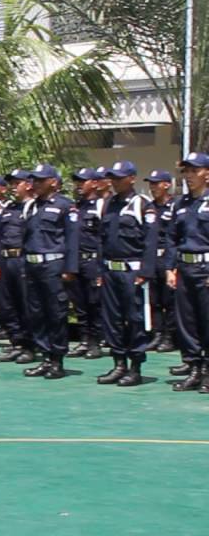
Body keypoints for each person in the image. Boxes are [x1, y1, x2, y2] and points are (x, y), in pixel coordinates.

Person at [95, 160, 158, 386]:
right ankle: (118, 363)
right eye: (112, 178)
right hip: (110, 270)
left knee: (134, 320)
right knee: (112, 320)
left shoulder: (142, 204)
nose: (114, 182)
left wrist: (145, 271)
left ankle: (135, 367)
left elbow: (150, 242)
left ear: (132, 178)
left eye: (119, 178)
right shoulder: (108, 204)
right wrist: (100, 269)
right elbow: (102, 239)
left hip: (133, 272)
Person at [20, 164, 79, 380]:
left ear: (53, 182)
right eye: (33, 180)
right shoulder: (31, 207)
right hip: (33, 265)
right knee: (36, 313)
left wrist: (70, 268)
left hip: (54, 266)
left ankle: (57, 360)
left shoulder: (65, 206)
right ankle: (45, 356)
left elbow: (72, 239)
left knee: (56, 313)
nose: (34, 184)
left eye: (39, 180)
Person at [168, 152, 209, 392]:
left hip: (206, 268)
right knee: (187, 322)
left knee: (207, 321)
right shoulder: (180, 204)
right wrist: (170, 269)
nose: (189, 176)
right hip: (184, 268)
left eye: (194, 170)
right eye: (186, 171)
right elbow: (172, 238)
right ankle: (194, 368)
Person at [0, 170, 35, 363]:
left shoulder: (34, 208)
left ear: (28, 184)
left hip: (22, 260)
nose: (12, 187)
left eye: (17, 183)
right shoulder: (8, 207)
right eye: (11, 183)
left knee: (26, 304)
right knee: (7, 305)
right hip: (5, 259)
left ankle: (30, 345)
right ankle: (16, 342)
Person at [68, 167, 105, 359]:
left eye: (83, 181)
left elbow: (103, 238)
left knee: (94, 303)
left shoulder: (101, 206)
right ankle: (84, 340)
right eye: (78, 181)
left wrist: (101, 268)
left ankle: (95, 342)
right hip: (77, 261)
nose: (79, 185)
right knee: (79, 304)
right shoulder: (76, 206)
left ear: (95, 183)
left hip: (93, 261)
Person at [146, 169, 178, 353]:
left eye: (156, 183)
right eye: (151, 184)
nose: (153, 187)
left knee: (169, 300)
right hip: (152, 258)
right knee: (154, 299)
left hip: (167, 258)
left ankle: (169, 336)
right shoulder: (149, 207)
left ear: (167, 184)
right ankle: (157, 334)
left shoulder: (175, 206)